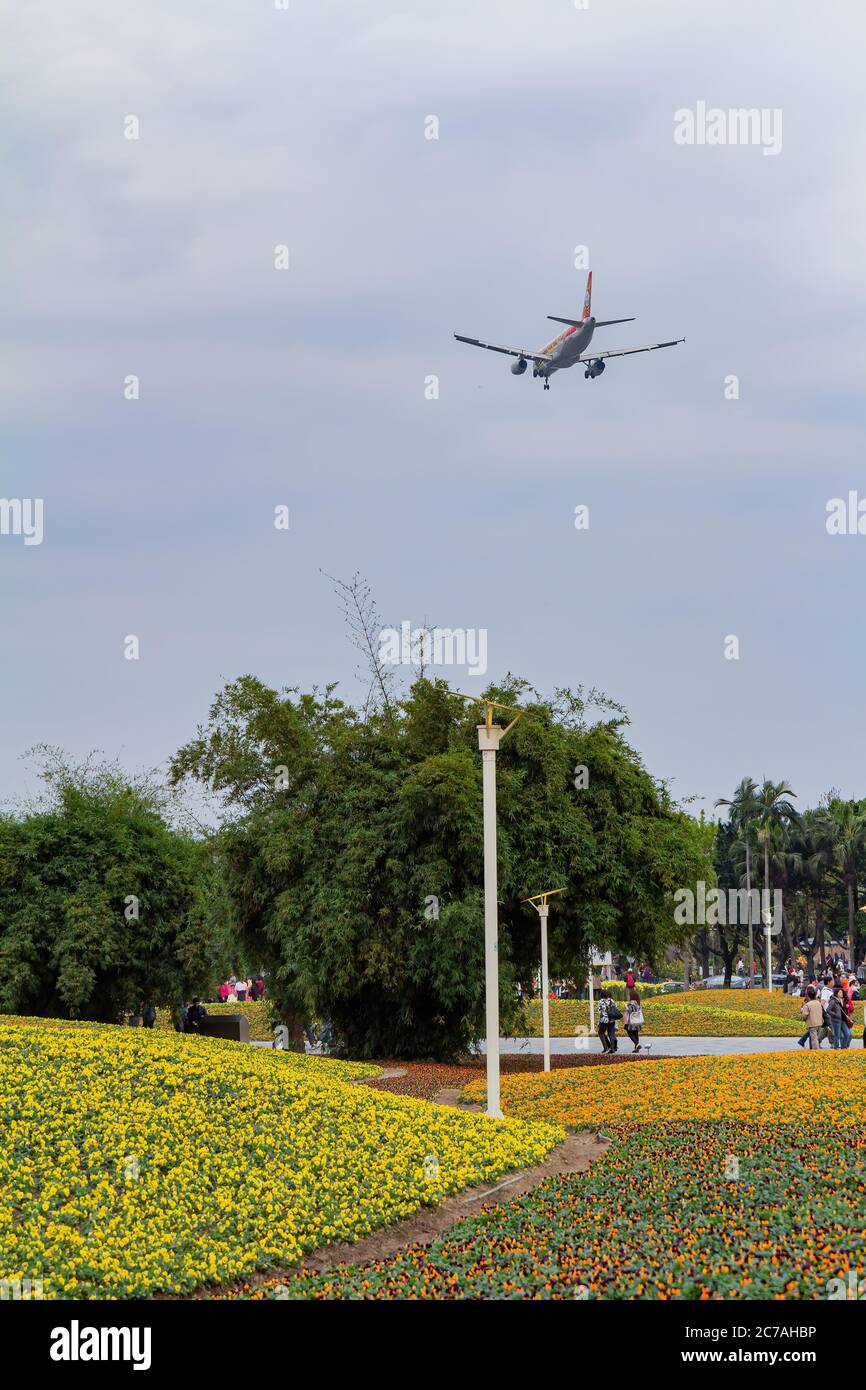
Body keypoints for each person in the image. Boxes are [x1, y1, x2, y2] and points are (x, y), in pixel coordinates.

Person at [624, 987, 644, 1053]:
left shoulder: (631, 1004)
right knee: (636, 1033)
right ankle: (636, 1048)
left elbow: (629, 1011)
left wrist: (626, 1006)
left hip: (632, 1022)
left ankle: (637, 1044)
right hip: (638, 1021)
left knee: (629, 1032)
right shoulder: (638, 1004)